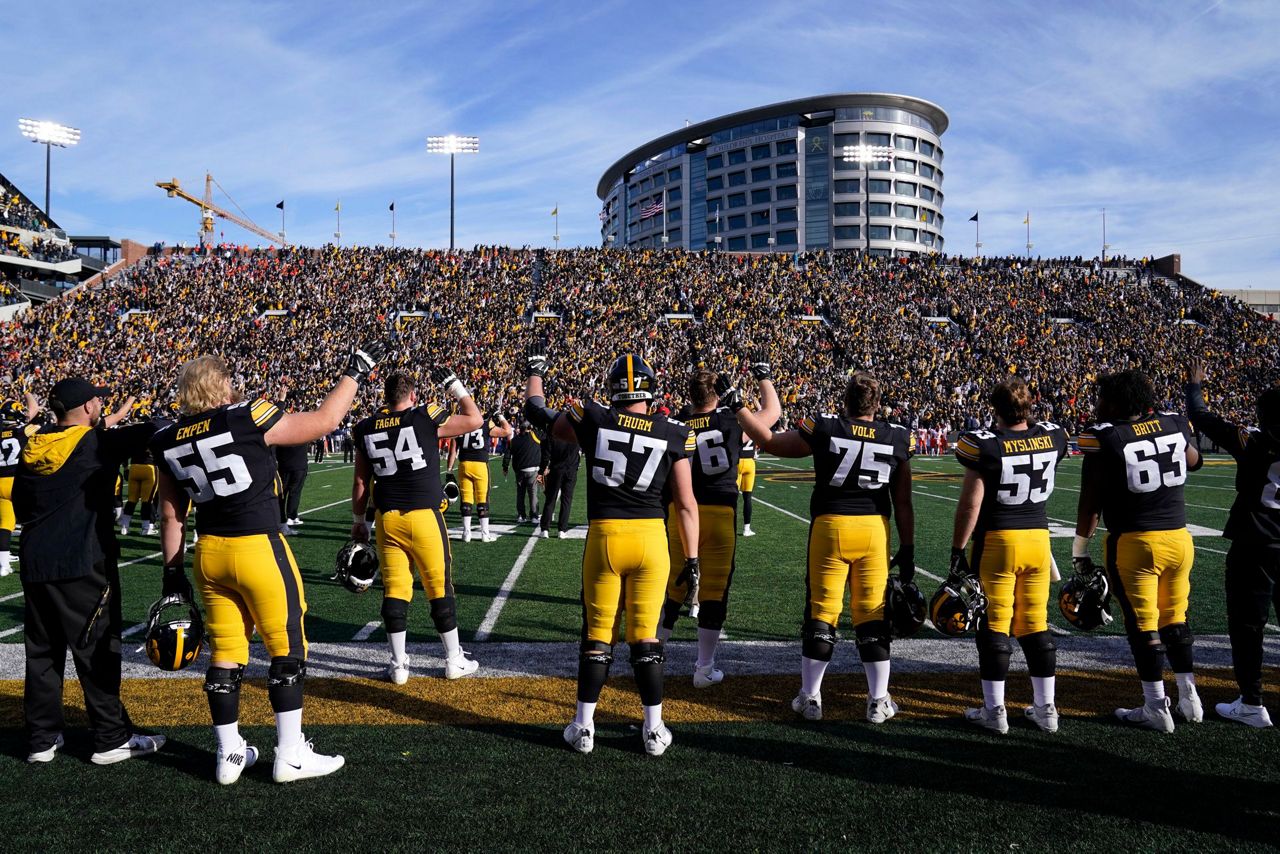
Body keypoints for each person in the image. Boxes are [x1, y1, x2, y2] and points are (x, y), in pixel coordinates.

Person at [151, 342, 382, 784]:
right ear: (220, 387)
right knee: (287, 647)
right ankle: (290, 753)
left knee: (227, 652)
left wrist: (172, 573)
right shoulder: (246, 415)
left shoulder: (166, 439)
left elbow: (170, 514)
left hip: (210, 555)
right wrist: (355, 372)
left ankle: (229, 753)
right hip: (258, 547)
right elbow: (325, 422)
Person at [524, 346, 698, 756]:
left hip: (605, 537)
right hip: (652, 540)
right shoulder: (673, 430)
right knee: (646, 637)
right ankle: (653, 731)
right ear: (651, 391)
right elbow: (687, 503)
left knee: (599, 635)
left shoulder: (596, 418)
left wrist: (535, 371)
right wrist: (691, 561)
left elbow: (540, 414)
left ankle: (583, 727)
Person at [741, 372, 915, 724]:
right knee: (872, 617)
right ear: (876, 405)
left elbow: (771, 442)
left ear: (845, 401)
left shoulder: (827, 427)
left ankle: (811, 697)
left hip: (831, 526)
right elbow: (904, 502)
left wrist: (738, 408)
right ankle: (878, 700)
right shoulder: (895, 436)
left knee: (821, 613)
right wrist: (908, 546)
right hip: (873, 531)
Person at [16, 379, 159, 765]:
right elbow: (153, 431)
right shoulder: (95, 444)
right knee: (97, 649)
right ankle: (110, 737)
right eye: (97, 399)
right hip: (81, 561)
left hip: (34, 561)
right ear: (87, 407)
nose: (100, 404)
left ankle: (41, 739)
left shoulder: (34, 444)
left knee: (42, 654)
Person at [1074, 370, 1202, 733]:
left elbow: (1090, 503)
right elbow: (1194, 460)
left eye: (1102, 398)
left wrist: (1079, 549)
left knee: (1143, 624)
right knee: (1175, 617)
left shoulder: (1106, 437)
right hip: (1179, 539)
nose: (1097, 404)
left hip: (1135, 543)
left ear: (1115, 402)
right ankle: (1190, 700)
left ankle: (1155, 706)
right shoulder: (1174, 423)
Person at [951, 377, 1068, 734]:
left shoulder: (984, 445)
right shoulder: (1055, 435)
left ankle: (995, 710)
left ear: (994, 408)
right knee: (1035, 622)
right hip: (1038, 538)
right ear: (1029, 406)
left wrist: (957, 550)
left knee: (995, 624)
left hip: (998, 539)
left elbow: (972, 503)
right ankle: (1047, 709)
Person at [350, 369, 482, 684]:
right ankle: (453, 659)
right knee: (439, 587)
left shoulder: (365, 427)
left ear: (385, 396)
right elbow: (475, 419)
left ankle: (398, 666)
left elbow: (360, 482)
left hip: (387, 519)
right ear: (412, 396)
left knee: (395, 589)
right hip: (424, 516)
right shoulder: (425, 415)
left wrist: (358, 521)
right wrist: (455, 385)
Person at [658, 355, 780, 690]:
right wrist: (763, 377)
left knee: (673, 586)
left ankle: (654, 654)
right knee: (714, 592)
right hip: (720, 513)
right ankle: (704, 667)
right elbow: (772, 415)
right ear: (717, 393)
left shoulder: (679, 421)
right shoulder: (730, 419)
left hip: (682, 513)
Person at [1184, 361, 1278, 727]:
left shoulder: (1254, 439)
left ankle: (1252, 701)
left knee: (1248, 624)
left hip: (1255, 540)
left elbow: (1201, 416)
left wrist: (1195, 385)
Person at [446, 407, 512, 542]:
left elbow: (453, 452)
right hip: (480, 465)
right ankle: (485, 533)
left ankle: (466, 533)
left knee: (466, 499)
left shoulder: (459, 425)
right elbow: (507, 430)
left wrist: (449, 470)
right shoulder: (485, 424)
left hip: (464, 465)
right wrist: (499, 416)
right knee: (482, 499)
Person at [0, 394, 40, 576]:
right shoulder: (23, 431)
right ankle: (32, 557)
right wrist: (27, 394)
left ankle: (3, 564)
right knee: (32, 521)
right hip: (17, 482)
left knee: (6, 523)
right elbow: (35, 412)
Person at [119, 408, 160, 536]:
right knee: (147, 501)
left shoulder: (132, 433)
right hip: (149, 468)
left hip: (134, 467)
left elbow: (124, 454)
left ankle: (125, 527)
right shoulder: (153, 432)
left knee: (131, 500)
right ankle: (146, 528)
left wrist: (125, 468)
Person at [538, 423, 581, 539]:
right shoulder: (576, 436)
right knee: (566, 501)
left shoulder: (553, 436)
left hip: (556, 470)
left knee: (551, 499)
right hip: (570, 471)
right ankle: (562, 530)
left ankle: (545, 529)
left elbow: (545, 456)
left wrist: (541, 471)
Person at [503, 419, 542, 523]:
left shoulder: (514, 440)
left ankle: (521, 515)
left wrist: (505, 467)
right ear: (529, 428)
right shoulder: (534, 436)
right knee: (533, 493)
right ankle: (534, 516)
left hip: (520, 470)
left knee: (520, 494)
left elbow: (507, 454)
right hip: (533, 470)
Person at [275, 427, 311, 535]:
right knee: (294, 492)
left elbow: (276, 452)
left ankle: (283, 518)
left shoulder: (282, 438)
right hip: (299, 467)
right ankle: (292, 516)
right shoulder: (303, 437)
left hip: (284, 467)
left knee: (282, 494)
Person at [738, 432, 758, 538]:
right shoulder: (752, 428)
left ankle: (730, 526)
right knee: (748, 497)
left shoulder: (736, 427)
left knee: (732, 498)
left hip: (738, 462)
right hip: (750, 463)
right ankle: (746, 529)